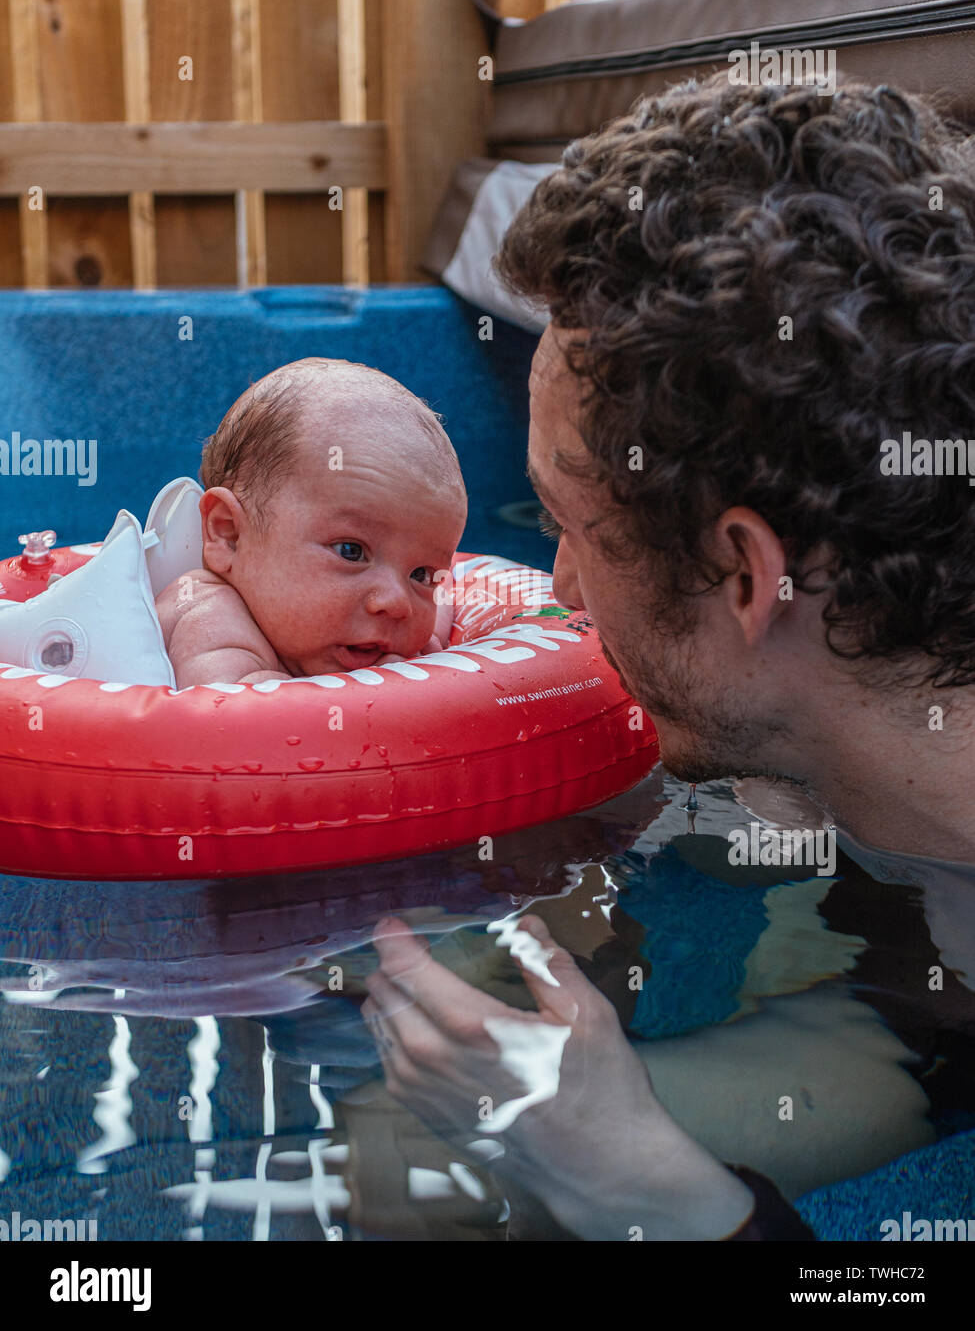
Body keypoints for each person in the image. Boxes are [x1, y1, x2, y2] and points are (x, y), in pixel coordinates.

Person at [362, 73, 975, 1239]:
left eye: (571, 526)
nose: (557, 590)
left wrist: (643, 1183)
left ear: (748, 577)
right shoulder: (867, 681)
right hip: (907, 989)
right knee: (402, 1166)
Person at [156, 358, 466, 688]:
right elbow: (240, 721)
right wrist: (388, 686)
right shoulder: (207, 614)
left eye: (421, 574)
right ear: (230, 534)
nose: (396, 603)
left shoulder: (375, 621)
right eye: (351, 551)